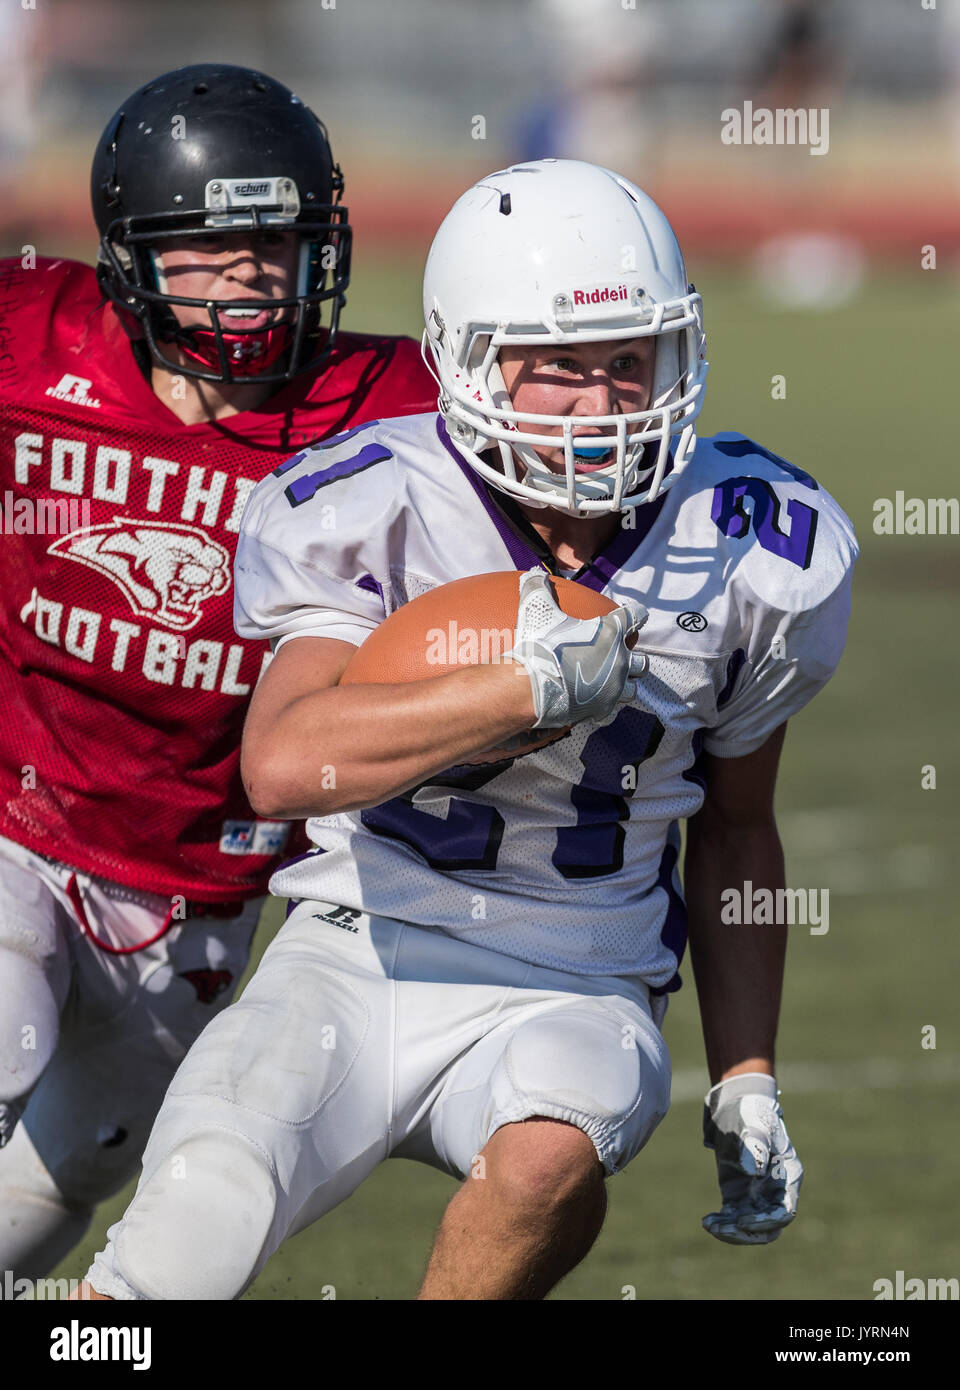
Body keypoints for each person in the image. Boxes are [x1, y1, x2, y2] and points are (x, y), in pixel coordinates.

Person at [78, 158, 857, 1301]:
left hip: (578, 977)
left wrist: (745, 1072)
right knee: (196, 1207)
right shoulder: (373, 503)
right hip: (360, 941)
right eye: (557, 369)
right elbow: (285, 765)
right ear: (466, 358)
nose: (602, 406)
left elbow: (740, 827)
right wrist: (515, 689)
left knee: (546, 1153)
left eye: (628, 361)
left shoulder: (752, 546)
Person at [0, 62, 437, 1279]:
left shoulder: (383, 403)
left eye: (277, 236)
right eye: (209, 239)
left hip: (201, 882)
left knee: (78, 1168)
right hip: (15, 815)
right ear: (132, 255)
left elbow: (536, 430)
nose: (251, 268)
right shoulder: (29, 337)